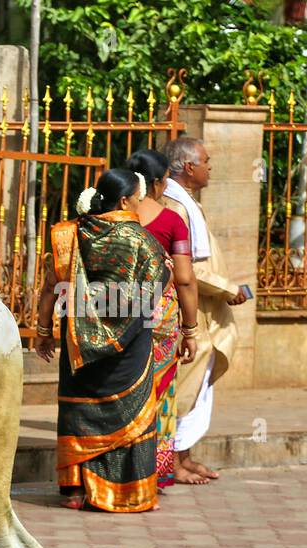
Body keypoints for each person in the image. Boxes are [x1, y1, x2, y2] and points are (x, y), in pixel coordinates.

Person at [34, 168, 176, 513]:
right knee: (131, 413)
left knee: (79, 409)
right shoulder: (140, 240)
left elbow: (53, 282)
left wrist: (42, 330)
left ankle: (75, 492)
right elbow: (160, 281)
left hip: (78, 341)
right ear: (126, 200)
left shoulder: (72, 233)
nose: (142, 206)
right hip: (128, 343)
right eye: (139, 199)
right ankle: (130, 493)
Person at [160, 136, 248, 483]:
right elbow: (190, 270)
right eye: (206, 161)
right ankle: (173, 462)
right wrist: (229, 288)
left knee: (197, 386)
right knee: (184, 386)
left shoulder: (187, 202)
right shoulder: (176, 205)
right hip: (190, 311)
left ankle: (185, 455)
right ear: (189, 167)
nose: (211, 167)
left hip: (205, 306)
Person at [127, 148, 200, 489]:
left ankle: (120, 468)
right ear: (159, 183)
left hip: (118, 312)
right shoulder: (172, 221)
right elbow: (184, 279)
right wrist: (190, 329)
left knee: (124, 388)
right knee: (161, 389)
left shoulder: (115, 215)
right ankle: (155, 469)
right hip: (161, 318)